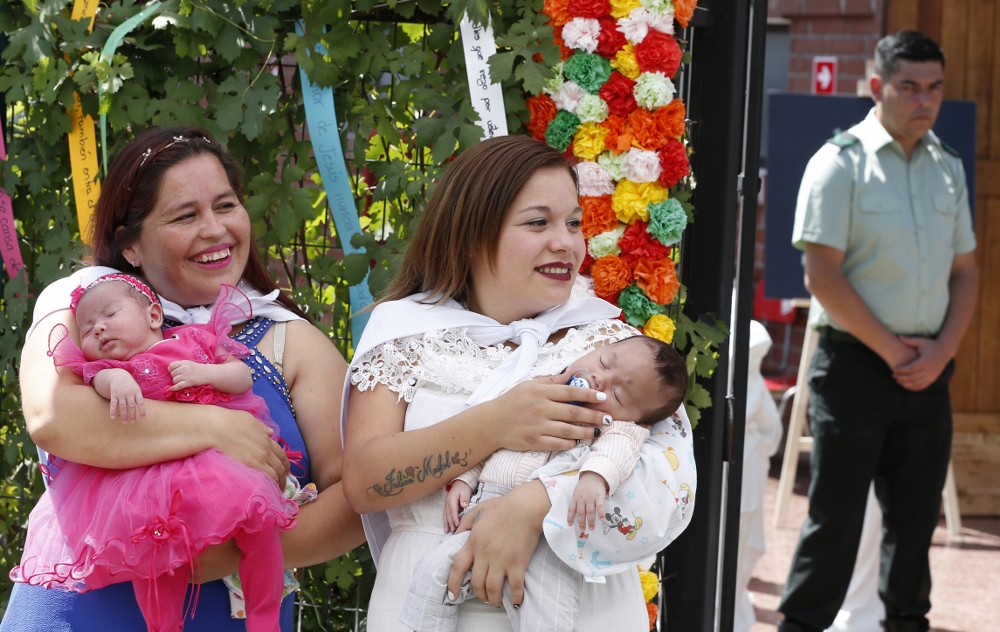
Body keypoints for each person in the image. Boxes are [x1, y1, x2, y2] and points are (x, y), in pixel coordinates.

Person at [2, 127, 365, 631]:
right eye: (185, 216)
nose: (215, 229)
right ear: (130, 245)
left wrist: (237, 547)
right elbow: (54, 417)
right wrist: (218, 428)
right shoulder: (82, 305)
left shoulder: (289, 339)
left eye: (226, 206)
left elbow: (359, 494)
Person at [340, 134, 697, 632]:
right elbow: (364, 484)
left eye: (574, 223)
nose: (566, 242)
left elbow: (672, 487)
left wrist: (535, 505)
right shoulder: (403, 333)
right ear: (471, 232)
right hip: (425, 603)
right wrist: (495, 424)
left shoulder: (613, 347)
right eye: (538, 222)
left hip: (587, 613)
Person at [778, 31, 979, 632]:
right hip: (855, 367)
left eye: (934, 88)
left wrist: (942, 350)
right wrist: (895, 352)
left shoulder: (948, 168)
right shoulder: (839, 163)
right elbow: (821, 274)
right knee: (835, 522)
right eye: (909, 86)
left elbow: (967, 271)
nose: (925, 100)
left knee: (916, 527)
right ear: (876, 87)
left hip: (929, 369)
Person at [13, 275, 299, 632]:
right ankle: (163, 626)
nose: (98, 328)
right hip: (149, 480)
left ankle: (264, 618)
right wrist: (116, 381)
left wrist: (206, 373)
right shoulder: (108, 371)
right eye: (86, 329)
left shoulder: (193, 340)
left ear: (153, 316)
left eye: (110, 314)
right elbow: (96, 384)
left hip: (216, 468)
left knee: (259, 520)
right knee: (155, 550)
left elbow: (241, 376)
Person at [400, 334, 688, 632]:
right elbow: (492, 444)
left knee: (549, 613)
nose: (600, 379)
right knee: (434, 570)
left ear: (639, 420)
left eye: (618, 394)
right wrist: (465, 479)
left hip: (553, 536)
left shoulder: (616, 428)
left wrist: (594, 478)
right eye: (604, 362)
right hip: (483, 514)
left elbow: (617, 452)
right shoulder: (537, 390)